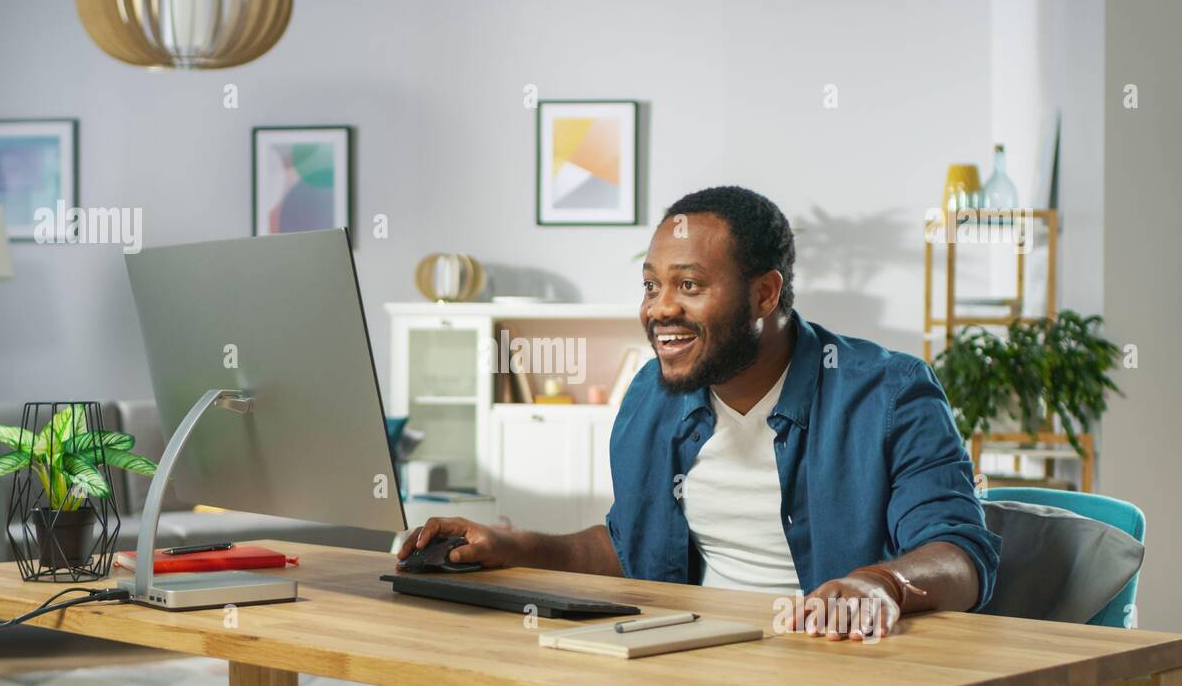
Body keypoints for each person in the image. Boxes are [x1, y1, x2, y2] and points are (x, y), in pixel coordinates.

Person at [398, 185, 1001, 647]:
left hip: (829, 671)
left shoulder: (889, 394)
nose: (661, 309)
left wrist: (881, 584)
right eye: (651, 285)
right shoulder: (652, 397)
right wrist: (512, 544)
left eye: (688, 285)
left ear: (766, 293)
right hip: (686, 657)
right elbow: (636, 549)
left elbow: (960, 554)